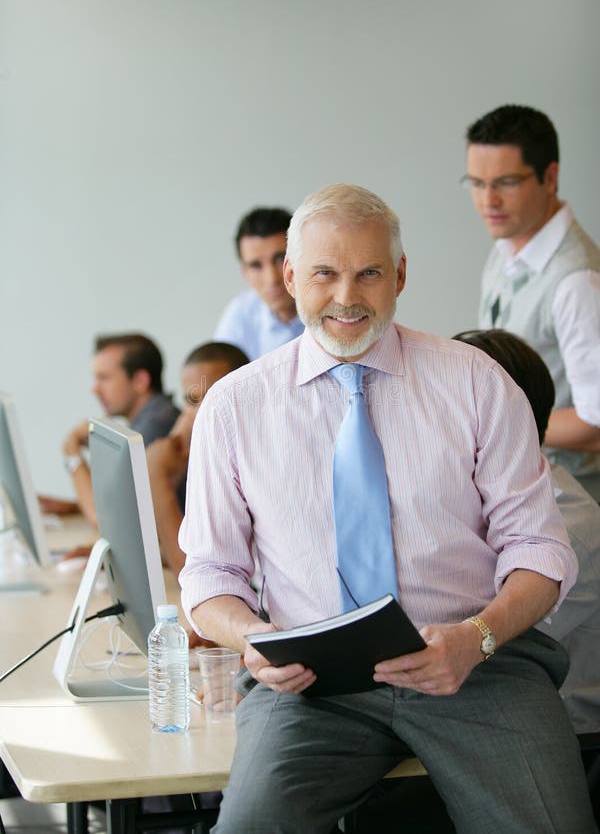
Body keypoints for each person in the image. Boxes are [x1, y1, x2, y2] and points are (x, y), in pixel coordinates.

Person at [179, 183, 596, 833]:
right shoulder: (234, 408)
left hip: (478, 666)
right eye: (324, 274)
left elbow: (541, 550)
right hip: (312, 686)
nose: (347, 296)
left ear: (399, 274)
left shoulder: (480, 385)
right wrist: (253, 639)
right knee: (250, 827)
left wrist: (474, 638)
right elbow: (209, 574)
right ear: (291, 277)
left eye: (369, 273)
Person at [453, 328, 600, 736]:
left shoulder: (569, 529)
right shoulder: (482, 498)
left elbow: (484, 652)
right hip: (495, 710)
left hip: (567, 734)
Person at [464, 104, 600, 500]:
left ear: (550, 177)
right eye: (476, 182)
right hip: (523, 485)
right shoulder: (505, 247)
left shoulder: (576, 282)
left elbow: (596, 424)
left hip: (572, 505)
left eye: (505, 182)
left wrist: (493, 422)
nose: (488, 201)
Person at [40, 332, 179, 528]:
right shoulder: (157, 415)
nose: (94, 389)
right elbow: (127, 505)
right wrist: (74, 507)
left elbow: (105, 521)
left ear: (140, 381)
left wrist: (71, 451)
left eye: (104, 378)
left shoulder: (156, 426)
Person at [146, 341, 249, 578]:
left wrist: (157, 478)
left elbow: (197, 577)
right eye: (192, 400)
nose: (200, 411)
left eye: (212, 396)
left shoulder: (246, 457)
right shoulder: (197, 446)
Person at [214, 206, 304, 359]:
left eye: (281, 259)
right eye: (256, 266)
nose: (272, 279)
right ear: (245, 273)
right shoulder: (239, 315)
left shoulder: (335, 305)